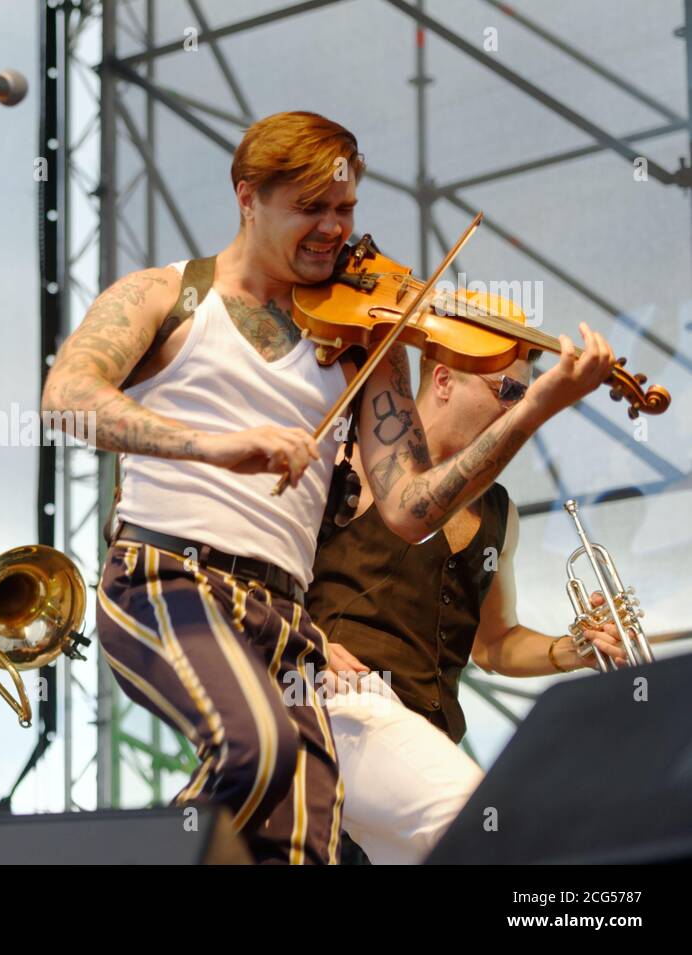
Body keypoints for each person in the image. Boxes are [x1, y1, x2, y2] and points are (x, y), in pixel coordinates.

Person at [40, 110, 617, 863]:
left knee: (305, 836)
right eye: (311, 208)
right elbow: (67, 398)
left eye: (345, 209)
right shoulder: (167, 296)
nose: (335, 229)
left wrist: (534, 409)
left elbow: (411, 508)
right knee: (260, 750)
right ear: (248, 197)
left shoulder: (360, 344)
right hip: (166, 578)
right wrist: (216, 445)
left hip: (286, 622)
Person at [308, 351, 628, 864]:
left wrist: (572, 649)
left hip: (420, 742)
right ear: (442, 381)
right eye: (508, 391)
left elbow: (496, 644)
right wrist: (305, 637)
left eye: (526, 395)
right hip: (338, 707)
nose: (518, 408)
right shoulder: (355, 463)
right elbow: (259, 572)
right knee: (489, 831)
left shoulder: (499, 513)